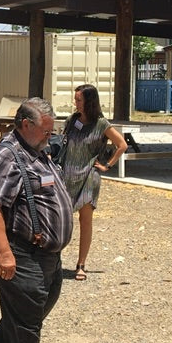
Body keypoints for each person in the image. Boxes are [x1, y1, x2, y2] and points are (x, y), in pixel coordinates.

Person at [0, 97, 73, 343]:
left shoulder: (37, 151)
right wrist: (4, 254)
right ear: (26, 125)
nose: (50, 136)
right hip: (20, 247)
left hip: (46, 251)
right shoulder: (8, 155)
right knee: (29, 308)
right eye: (46, 131)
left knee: (43, 299)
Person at [59, 83, 129, 281]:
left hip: (89, 175)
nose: (75, 103)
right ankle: (54, 259)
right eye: (75, 99)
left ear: (89, 101)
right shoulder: (72, 120)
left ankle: (81, 265)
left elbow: (122, 144)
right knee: (62, 218)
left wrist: (107, 164)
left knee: (85, 219)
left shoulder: (101, 124)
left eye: (79, 99)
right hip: (67, 175)